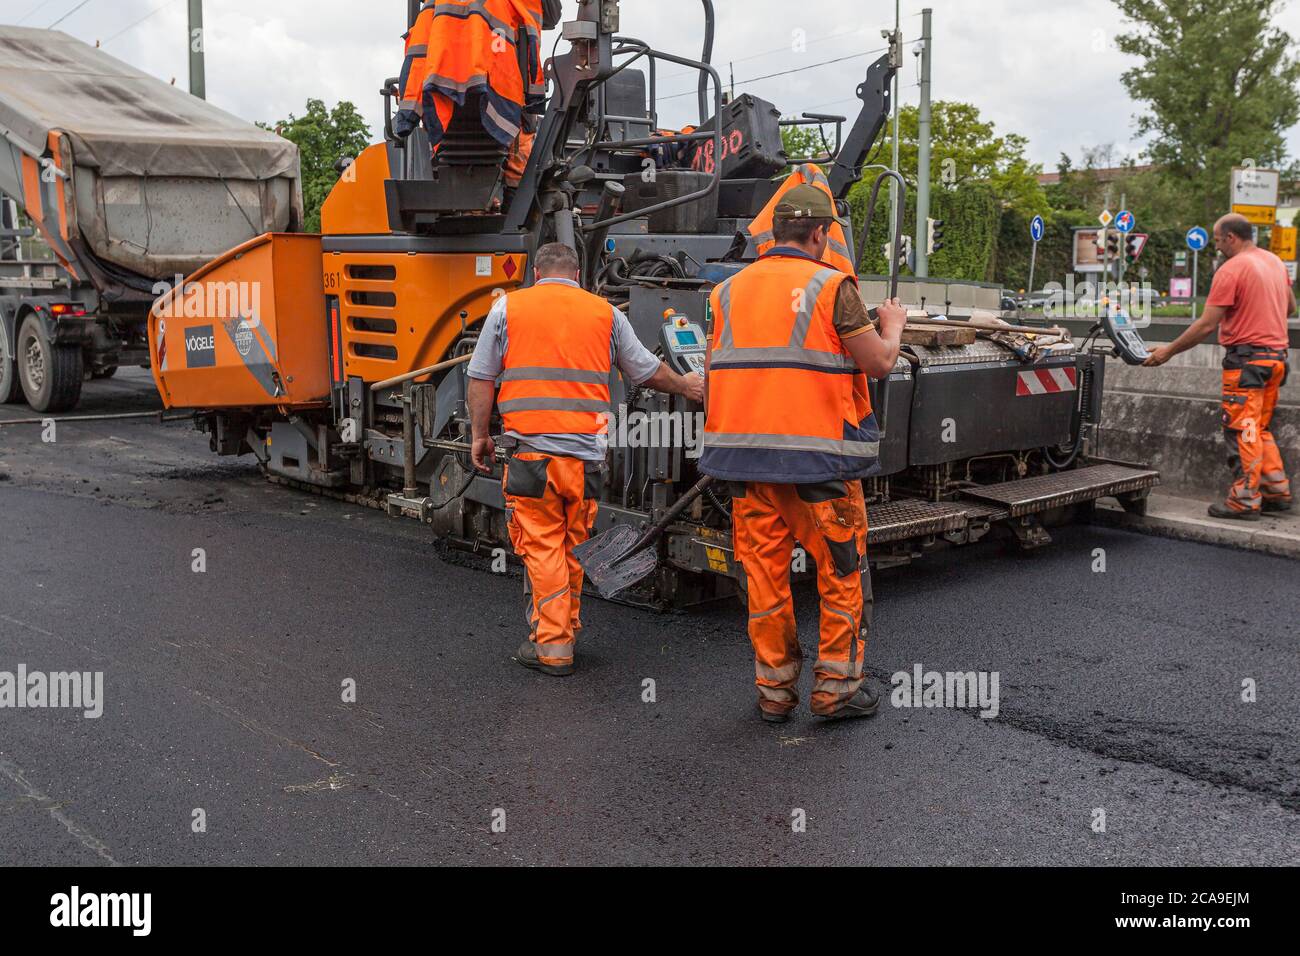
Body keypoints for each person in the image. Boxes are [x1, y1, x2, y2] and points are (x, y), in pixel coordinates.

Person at [699, 184, 907, 723]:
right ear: (820, 234)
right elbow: (880, 363)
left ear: (773, 232)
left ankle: (774, 694)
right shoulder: (832, 285)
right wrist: (894, 325)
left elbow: (715, 372)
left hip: (746, 465)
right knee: (840, 573)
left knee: (765, 580)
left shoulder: (726, 292)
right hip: (820, 468)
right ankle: (835, 691)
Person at [467, 243, 704, 676]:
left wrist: (480, 435)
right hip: (586, 460)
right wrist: (688, 386)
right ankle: (562, 628)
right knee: (571, 547)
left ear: (537, 271)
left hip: (531, 457)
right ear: (576, 273)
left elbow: (481, 376)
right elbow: (646, 370)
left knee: (541, 548)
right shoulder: (606, 313)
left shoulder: (507, 309)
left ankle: (554, 646)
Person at [1145, 213, 1293, 519]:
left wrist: (1167, 352)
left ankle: (1244, 499)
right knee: (1259, 428)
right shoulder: (1274, 262)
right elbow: (1290, 306)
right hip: (1276, 359)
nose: (1216, 245)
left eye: (1217, 238)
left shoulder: (1232, 269)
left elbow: (1205, 325)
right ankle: (1276, 491)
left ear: (1231, 238)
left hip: (1246, 362)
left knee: (1243, 430)